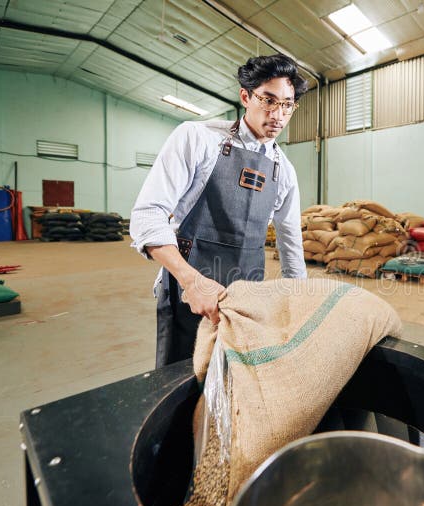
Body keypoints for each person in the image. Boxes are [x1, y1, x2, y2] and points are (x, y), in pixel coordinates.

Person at [130, 54, 308, 368]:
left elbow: (291, 245)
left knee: (235, 382)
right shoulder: (197, 138)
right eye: (268, 100)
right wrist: (192, 281)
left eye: (287, 104)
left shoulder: (284, 171)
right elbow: (147, 215)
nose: (278, 114)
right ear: (245, 96)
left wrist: (302, 303)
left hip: (246, 296)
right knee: (181, 383)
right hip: (189, 288)